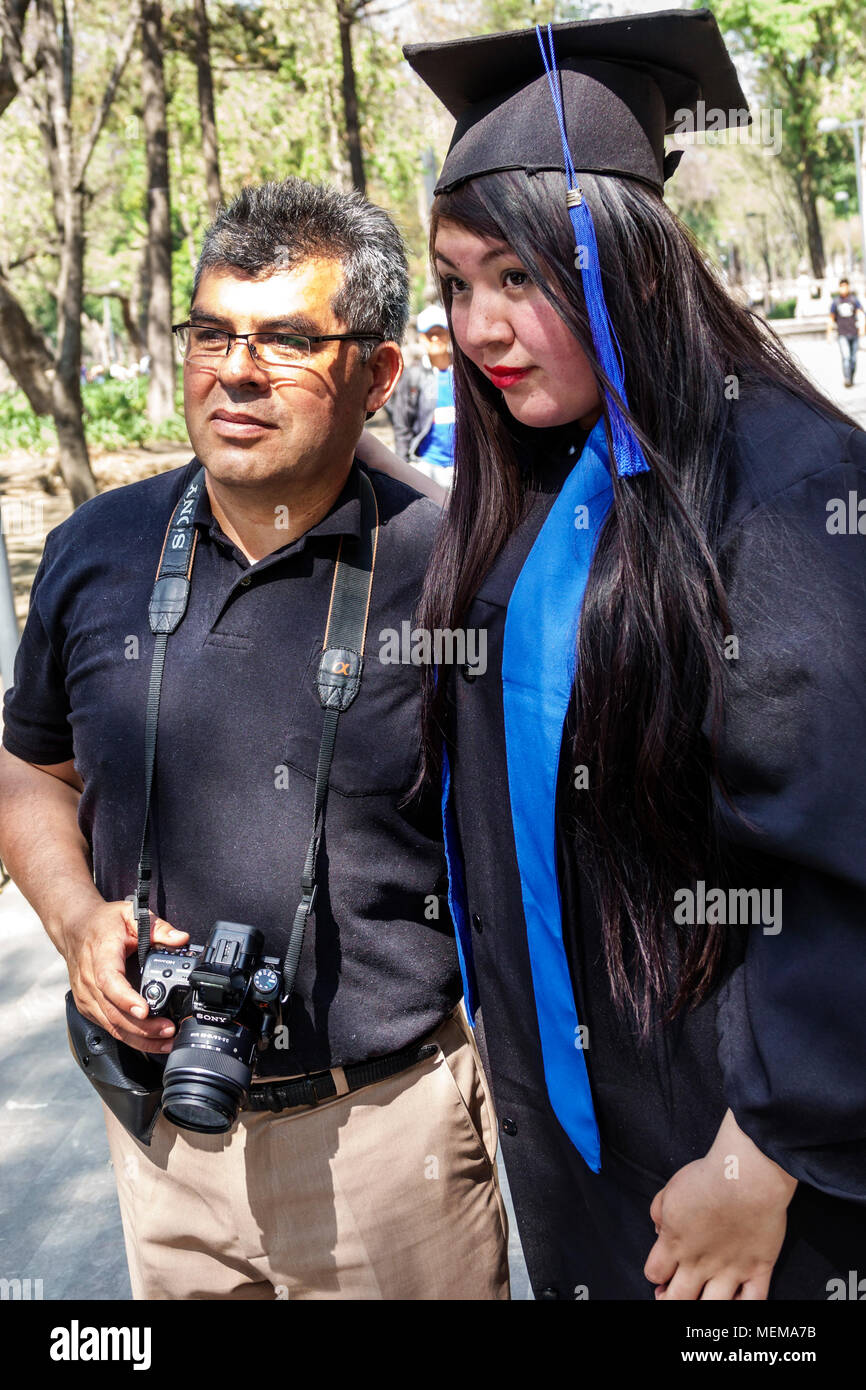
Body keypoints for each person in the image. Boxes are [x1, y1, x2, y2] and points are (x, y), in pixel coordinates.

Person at [366, 11, 866, 1300]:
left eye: (521, 276)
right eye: (458, 282)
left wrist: (765, 1152)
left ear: (625, 263)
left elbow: (842, 866)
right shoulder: (517, 474)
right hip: (581, 1145)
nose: (478, 325)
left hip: (740, 1159)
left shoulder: (780, 493)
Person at [0, 177, 508, 1301]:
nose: (235, 369)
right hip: (164, 1135)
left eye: (286, 341)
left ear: (375, 375)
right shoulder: (95, 550)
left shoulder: (459, 573)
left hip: (391, 1148)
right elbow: (31, 764)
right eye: (213, 332)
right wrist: (79, 918)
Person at [386, 303, 456, 485]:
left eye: (439, 332)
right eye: (429, 334)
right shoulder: (413, 376)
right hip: (428, 466)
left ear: (448, 334)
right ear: (421, 338)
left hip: (466, 467)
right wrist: (402, 469)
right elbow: (402, 424)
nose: (435, 339)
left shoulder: (464, 374)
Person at [827, 277, 864, 387]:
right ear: (839, 288)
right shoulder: (836, 302)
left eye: (845, 286)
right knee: (846, 357)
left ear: (848, 287)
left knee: (853, 359)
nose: (843, 289)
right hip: (842, 334)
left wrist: (862, 328)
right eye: (841, 286)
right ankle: (847, 379)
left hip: (854, 333)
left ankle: (851, 377)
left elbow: (861, 314)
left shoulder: (854, 300)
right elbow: (831, 318)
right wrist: (829, 333)